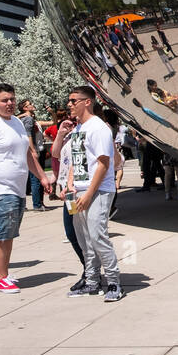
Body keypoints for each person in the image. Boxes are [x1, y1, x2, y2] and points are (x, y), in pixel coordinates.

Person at [0, 84, 53, 294]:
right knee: (5, 236)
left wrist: (42, 176)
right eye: (5, 100)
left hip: (15, 189)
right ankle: (2, 277)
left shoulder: (16, 122)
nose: (10, 103)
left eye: (12, 99)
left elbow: (26, 154)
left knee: (0, 233)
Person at [57, 86, 124, 301]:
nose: (69, 104)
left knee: (97, 236)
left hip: (99, 190)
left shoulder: (99, 128)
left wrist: (89, 193)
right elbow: (74, 162)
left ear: (87, 102)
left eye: (73, 100)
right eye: (69, 100)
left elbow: (104, 163)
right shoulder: (78, 129)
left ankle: (114, 283)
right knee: (84, 238)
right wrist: (69, 185)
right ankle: (92, 281)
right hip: (78, 191)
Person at [16, 99, 46, 211]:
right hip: (29, 150)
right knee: (35, 178)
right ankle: (37, 204)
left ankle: (22, 205)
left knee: (24, 178)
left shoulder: (21, 119)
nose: (33, 105)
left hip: (21, 150)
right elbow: (28, 135)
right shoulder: (28, 119)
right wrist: (33, 150)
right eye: (30, 104)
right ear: (25, 108)